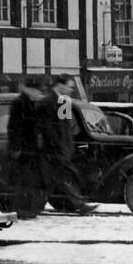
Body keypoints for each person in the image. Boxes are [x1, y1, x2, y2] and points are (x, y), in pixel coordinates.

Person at [35, 75, 98, 215]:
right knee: (62, 177)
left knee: (53, 179)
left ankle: (36, 205)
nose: (71, 90)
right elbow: (47, 128)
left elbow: (65, 127)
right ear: (60, 85)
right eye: (69, 87)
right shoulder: (47, 101)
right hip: (51, 149)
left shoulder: (63, 101)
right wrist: (58, 144)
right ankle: (79, 204)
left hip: (58, 149)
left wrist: (67, 145)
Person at [6, 79, 47, 218]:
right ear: (31, 89)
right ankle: (21, 209)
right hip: (24, 149)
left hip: (31, 148)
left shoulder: (30, 103)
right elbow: (14, 127)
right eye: (38, 90)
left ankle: (28, 208)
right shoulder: (20, 103)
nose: (39, 93)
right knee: (24, 180)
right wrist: (16, 147)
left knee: (30, 180)